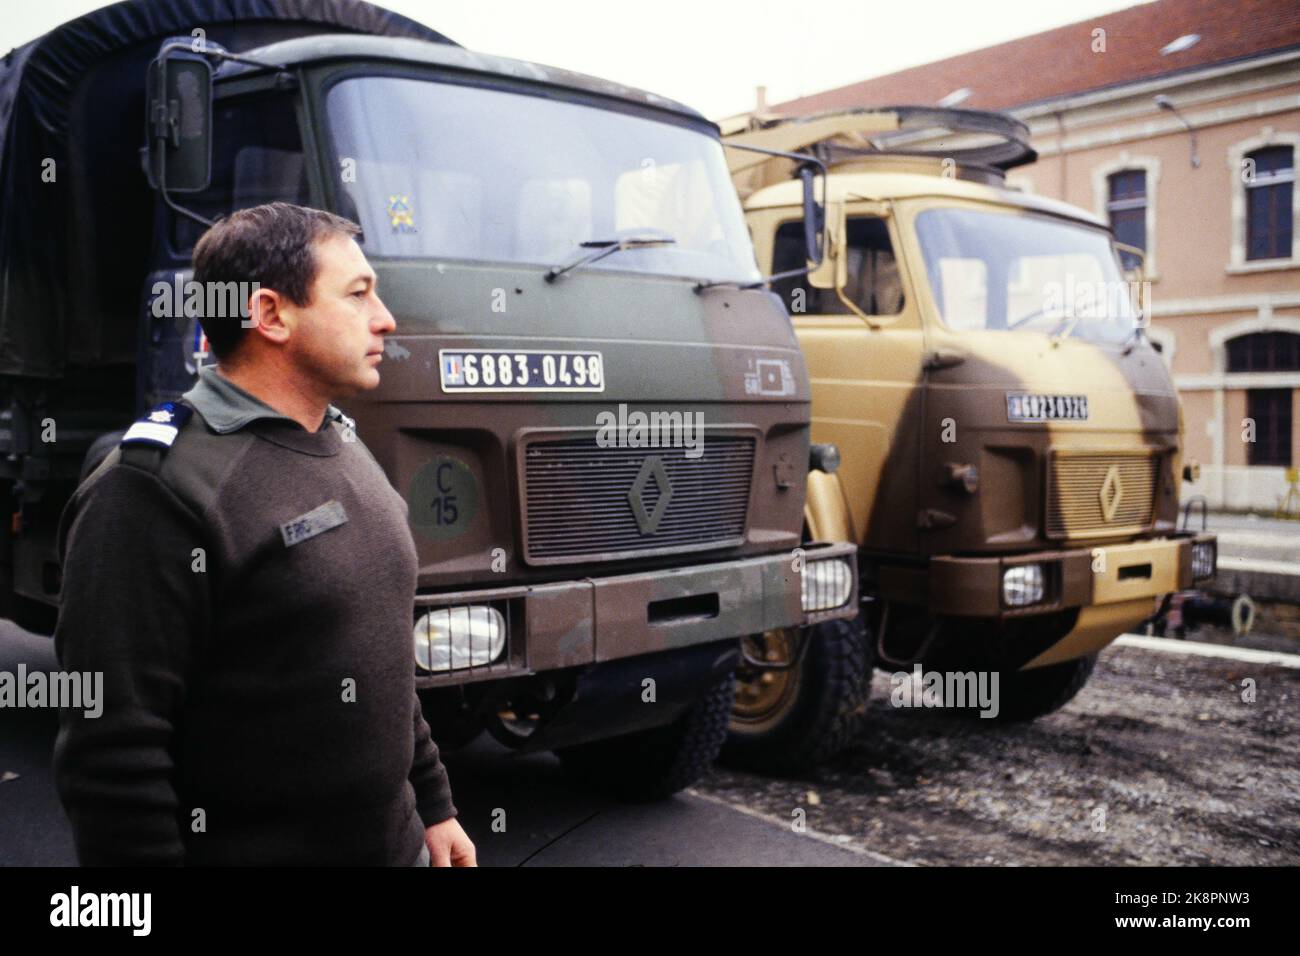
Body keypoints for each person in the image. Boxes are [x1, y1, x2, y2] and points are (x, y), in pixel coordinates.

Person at [52, 202, 476, 867]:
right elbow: (114, 757)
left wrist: (434, 804)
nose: (385, 319)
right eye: (358, 294)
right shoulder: (151, 489)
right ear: (270, 315)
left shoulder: (340, 442)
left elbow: (382, 659)